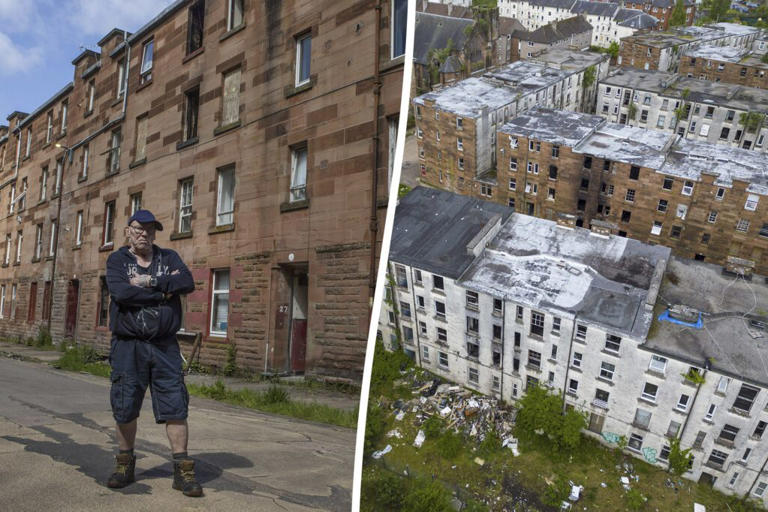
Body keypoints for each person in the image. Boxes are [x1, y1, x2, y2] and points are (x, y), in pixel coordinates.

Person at [104, 209, 202, 497]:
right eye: (138, 228)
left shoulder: (168, 258)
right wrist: (164, 293)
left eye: (150, 229)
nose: (144, 233)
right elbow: (122, 293)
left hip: (164, 345)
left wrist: (150, 283)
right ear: (127, 231)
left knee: (175, 404)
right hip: (128, 345)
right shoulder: (118, 260)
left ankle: (183, 471)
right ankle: (124, 465)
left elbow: (186, 282)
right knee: (125, 403)